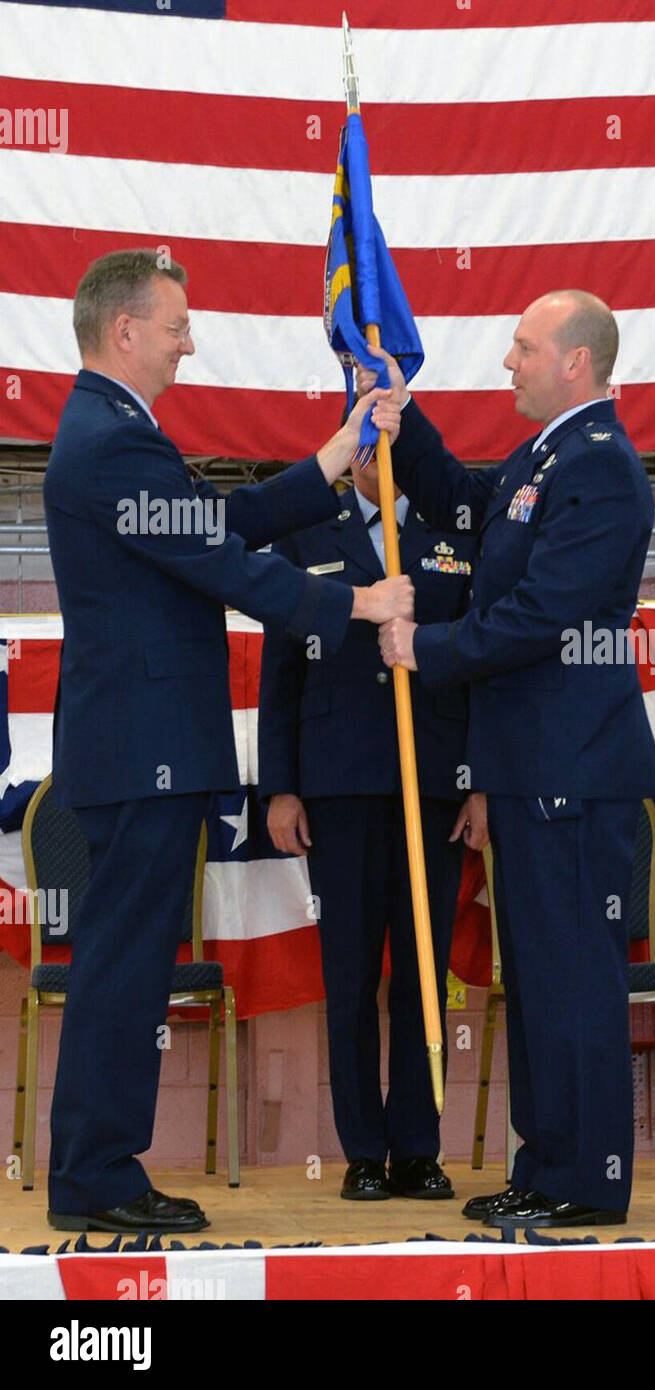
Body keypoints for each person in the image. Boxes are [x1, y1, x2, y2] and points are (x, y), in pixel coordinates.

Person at [43, 249, 412, 1235]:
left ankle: (94, 1166)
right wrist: (355, 600)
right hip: (141, 749)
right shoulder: (113, 440)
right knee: (123, 968)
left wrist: (339, 451)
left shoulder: (112, 430)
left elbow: (220, 519)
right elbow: (223, 563)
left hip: (139, 749)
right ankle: (97, 1174)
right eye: (175, 325)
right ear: (125, 331)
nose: (189, 340)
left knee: (122, 963)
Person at [369, 290, 655, 1227]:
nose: (508, 362)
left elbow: (548, 615)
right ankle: (545, 1167)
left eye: (523, 347)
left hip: (573, 768)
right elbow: (463, 504)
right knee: (535, 977)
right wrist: (400, 421)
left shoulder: (602, 468)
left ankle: (588, 1184)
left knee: (574, 979)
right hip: (533, 766)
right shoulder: (545, 457)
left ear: (575, 361)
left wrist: (430, 650)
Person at [258, 462, 482, 1201]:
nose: (373, 452)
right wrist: (282, 786)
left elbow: (482, 657)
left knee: (424, 973)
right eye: (362, 434)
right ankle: (361, 1151)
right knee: (348, 974)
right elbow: (281, 668)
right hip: (339, 782)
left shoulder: (454, 528)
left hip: (435, 783)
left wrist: (480, 778)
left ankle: (418, 1149)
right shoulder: (306, 532)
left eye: (387, 433)